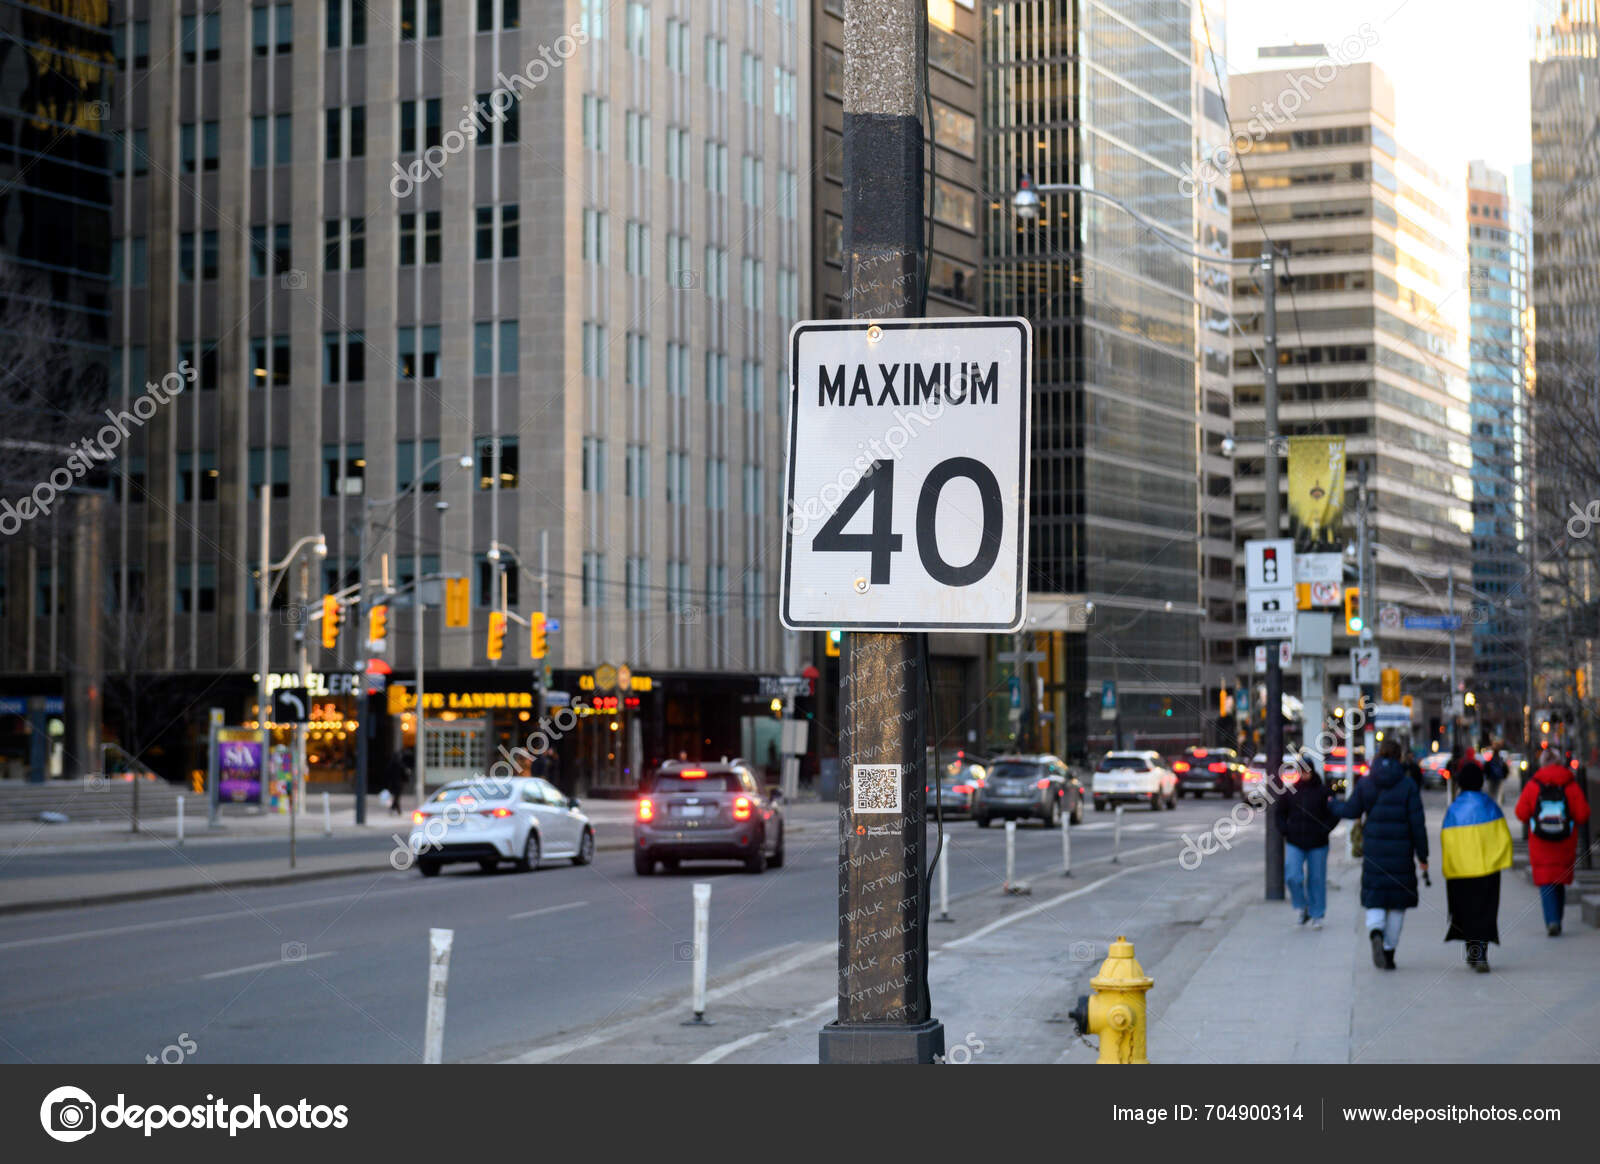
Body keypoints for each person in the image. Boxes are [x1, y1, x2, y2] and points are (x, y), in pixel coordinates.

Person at [1330, 739, 1429, 969]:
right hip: (1401, 852)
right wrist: (1422, 856)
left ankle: (1375, 931)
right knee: (1396, 903)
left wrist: (1331, 804)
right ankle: (1389, 950)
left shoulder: (1366, 783)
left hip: (1374, 851)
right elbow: (1418, 824)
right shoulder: (1408, 785)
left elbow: (1351, 810)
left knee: (1375, 895)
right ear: (1399, 757)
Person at [1440, 761, 1513, 972]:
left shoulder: (1454, 809)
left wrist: (1450, 868)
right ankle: (1481, 953)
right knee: (1485, 911)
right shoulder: (1490, 806)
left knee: (1466, 911)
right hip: (1487, 870)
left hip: (1461, 871)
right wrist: (1499, 861)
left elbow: (1448, 843)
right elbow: (1503, 838)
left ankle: (1472, 951)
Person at [1515, 749, 1592, 936]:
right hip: (1564, 841)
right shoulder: (1570, 784)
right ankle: (1558, 918)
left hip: (1540, 842)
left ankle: (1552, 920)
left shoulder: (1533, 784)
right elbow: (1583, 814)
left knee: (1546, 881)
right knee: (1559, 880)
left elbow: (1520, 813)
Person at [1275, 755, 1339, 929]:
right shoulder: (1290, 792)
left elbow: (1334, 813)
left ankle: (1317, 914)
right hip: (1295, 842)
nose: (1303, 774)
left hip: (1318, 844)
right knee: (1292, 877)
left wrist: (1324, 829)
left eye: (1306, 770)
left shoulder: (1324, 791)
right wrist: (1285, 830)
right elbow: (1279, 814)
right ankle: (1302, 907)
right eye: (1301, 770)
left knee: (1316, 880)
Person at [385, 751, 409, 816]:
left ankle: (395, 809)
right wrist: (405, 780)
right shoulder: (400, 764)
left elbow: (387, 774)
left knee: (396, 797)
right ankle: (396, 810)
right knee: (397, 797)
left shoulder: (391, 764)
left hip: (392, 784)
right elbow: (405, 774)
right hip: (399, 783)